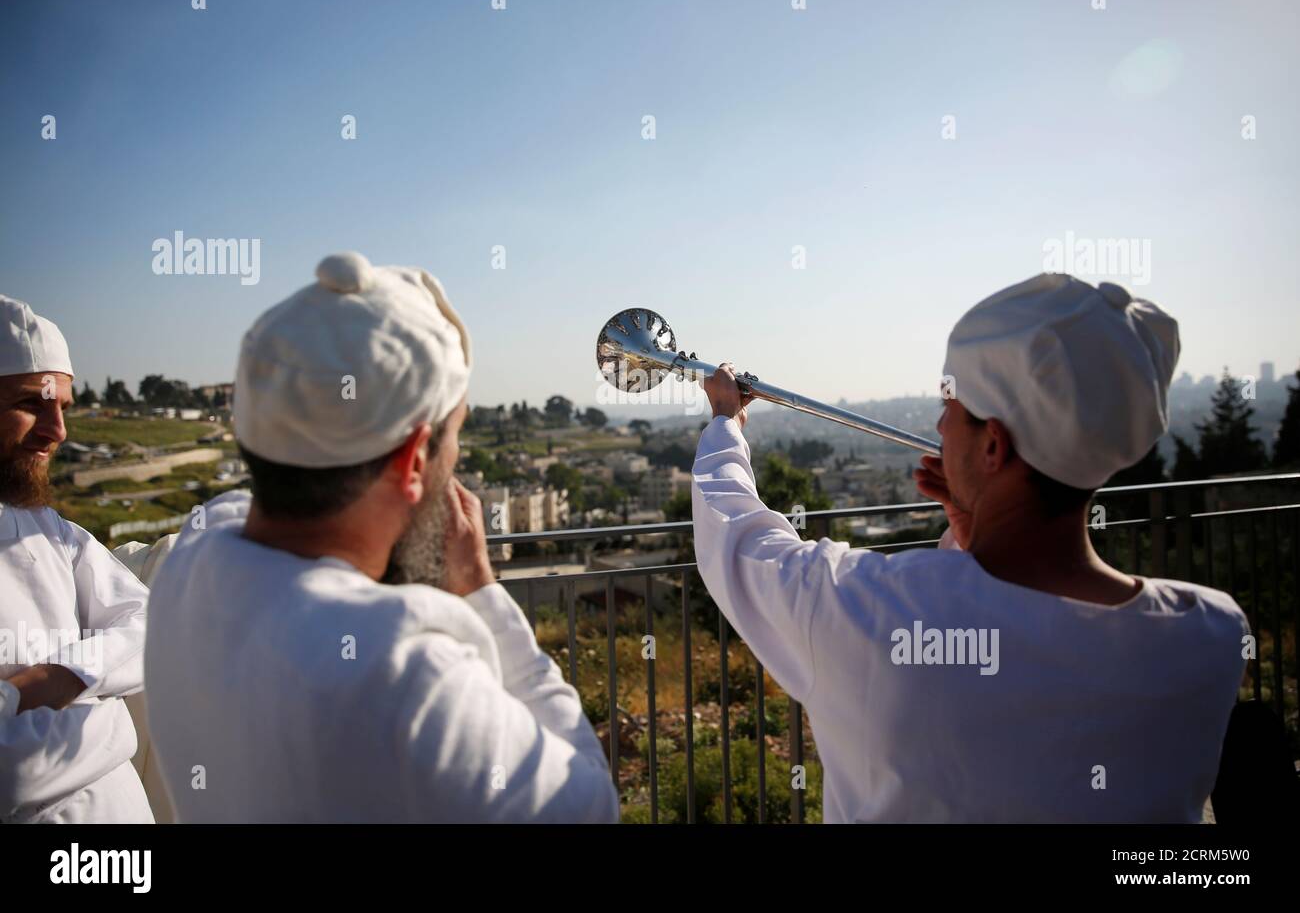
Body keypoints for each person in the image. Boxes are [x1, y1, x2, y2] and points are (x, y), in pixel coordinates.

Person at [691, 273, 1249, 822]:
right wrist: (974, 535)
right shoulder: (1211, 635)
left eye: (949, 408)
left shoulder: (867, 612)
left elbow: (739, 541)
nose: (939, 425)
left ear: (993, 445)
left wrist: (725, 426)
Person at [145, 252, 618, 822]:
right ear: (415, 459)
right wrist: (481, 592)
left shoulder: (191, 560)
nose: (458, 461)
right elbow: (590, 803)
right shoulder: (412, 678)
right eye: (455, 438)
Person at [0, 294, 153, 823]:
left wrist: (62, 676)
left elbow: (152, 623)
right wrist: (112, 720)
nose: (58, 430)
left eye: (62, 406)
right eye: (31, 404)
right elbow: (12, 773)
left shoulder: (49, 530)